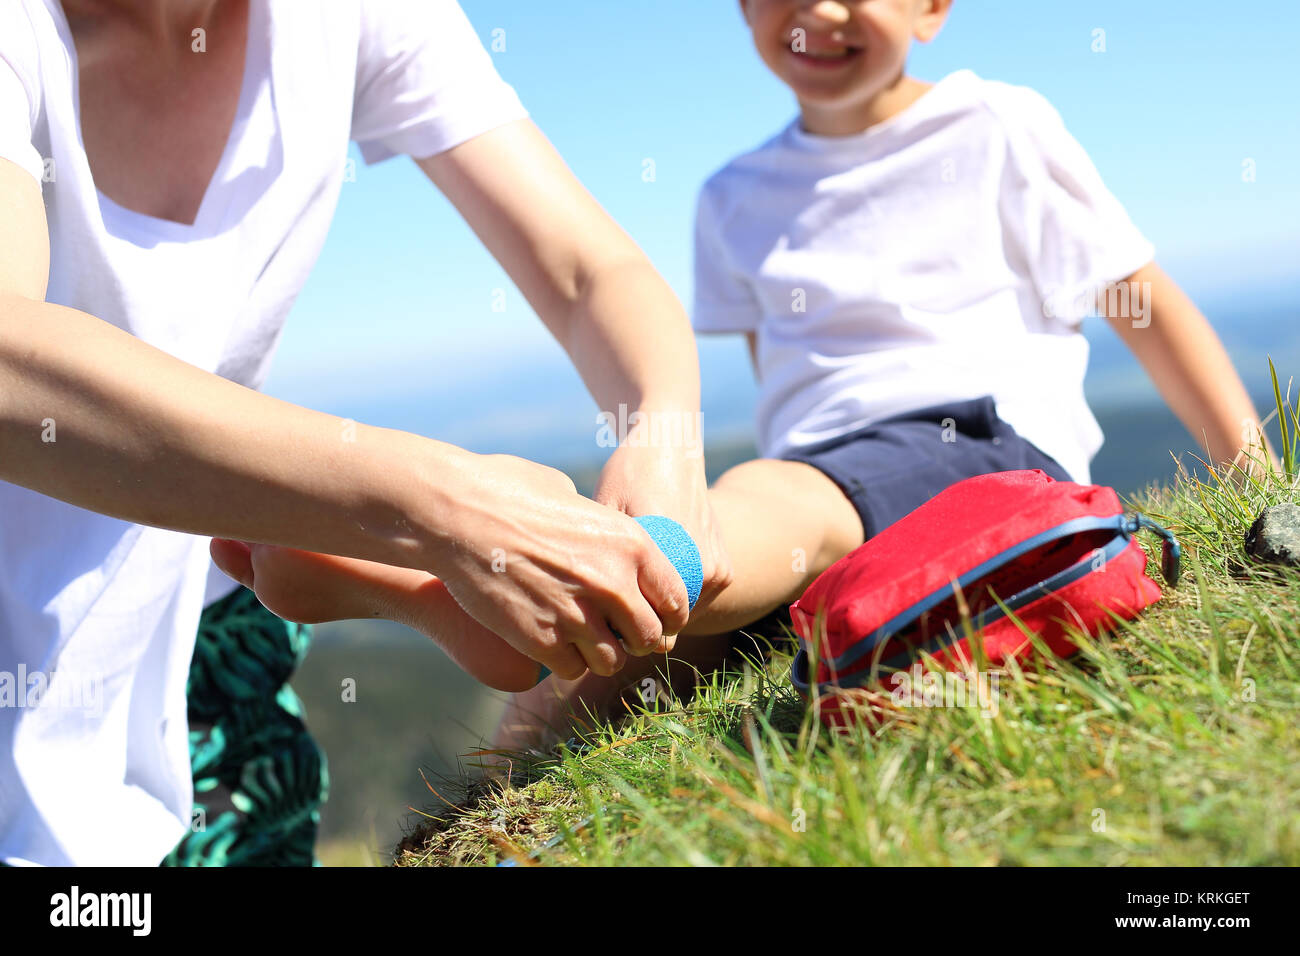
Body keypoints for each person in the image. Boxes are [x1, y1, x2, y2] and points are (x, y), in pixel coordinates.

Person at [209, 0, 1268, 754]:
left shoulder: (997, 126)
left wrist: (1249, 467)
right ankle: (493, 609)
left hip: (981, 445)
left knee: (733, 536)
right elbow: (786, 387)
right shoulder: (731, 196)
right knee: (652, 636)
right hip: (818, 466)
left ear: (935, 7)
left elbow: (1144, 303)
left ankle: (481, 561)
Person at [0, 0, 732, 866]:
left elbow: (585, 270)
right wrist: (441, 510)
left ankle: (302, 550)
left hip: (206, 637)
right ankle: (315, 549)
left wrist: (664, 431)